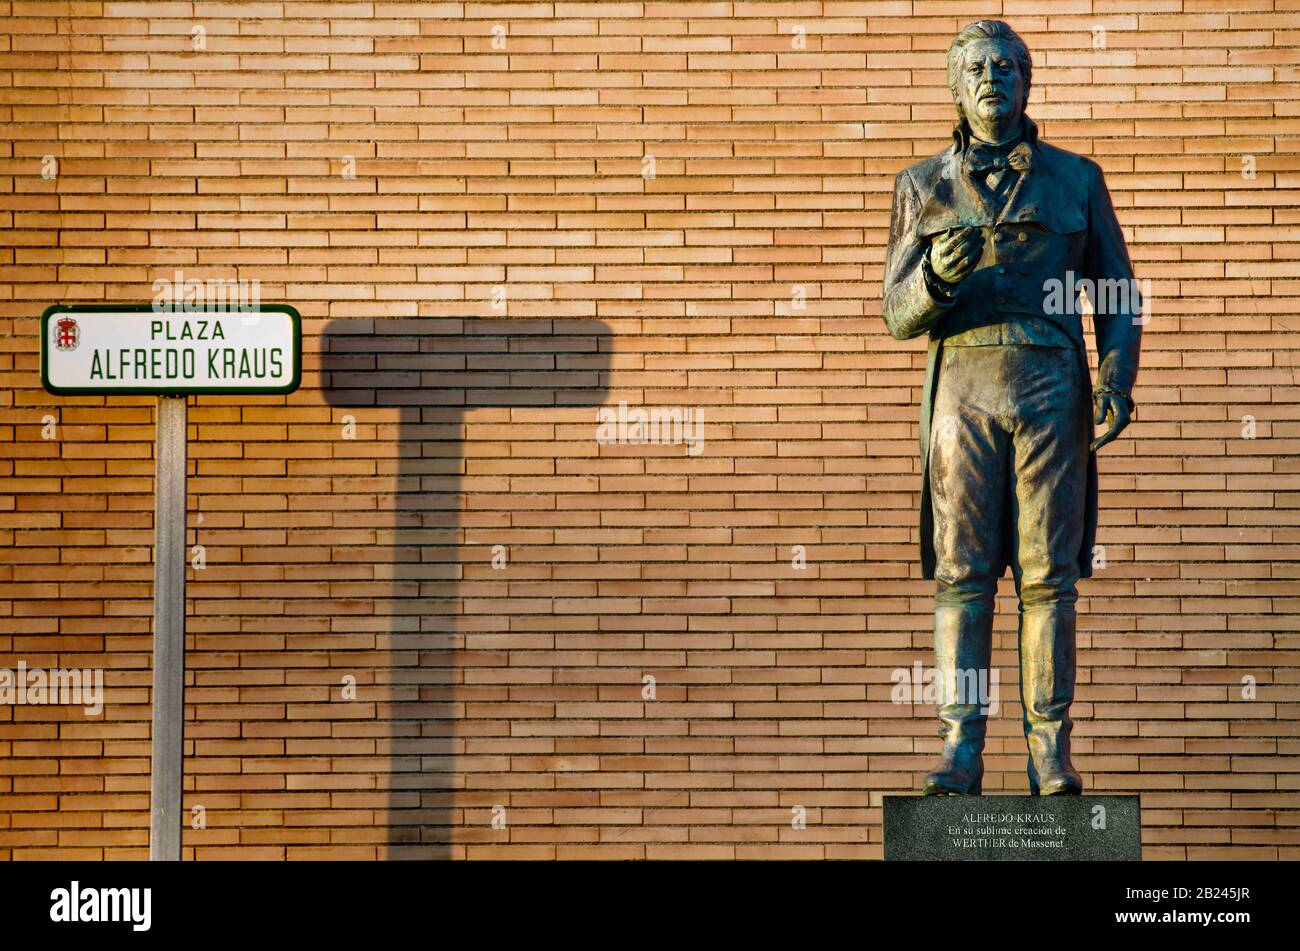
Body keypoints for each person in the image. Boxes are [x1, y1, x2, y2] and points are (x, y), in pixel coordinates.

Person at [882, 19, 1143, 795]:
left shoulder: (1075, 178)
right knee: (962, 575)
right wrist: (934, 279)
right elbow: (897, 313)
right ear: (956, 87)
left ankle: (1049, 754)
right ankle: (961, 750)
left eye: (1006, 65)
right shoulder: (922, 184)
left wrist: (1116, 379)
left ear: (1027, 82)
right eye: (977, 68)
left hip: (1051, 387)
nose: (992, 77)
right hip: (961, 386)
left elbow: (1119, 293)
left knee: (1047, 577)